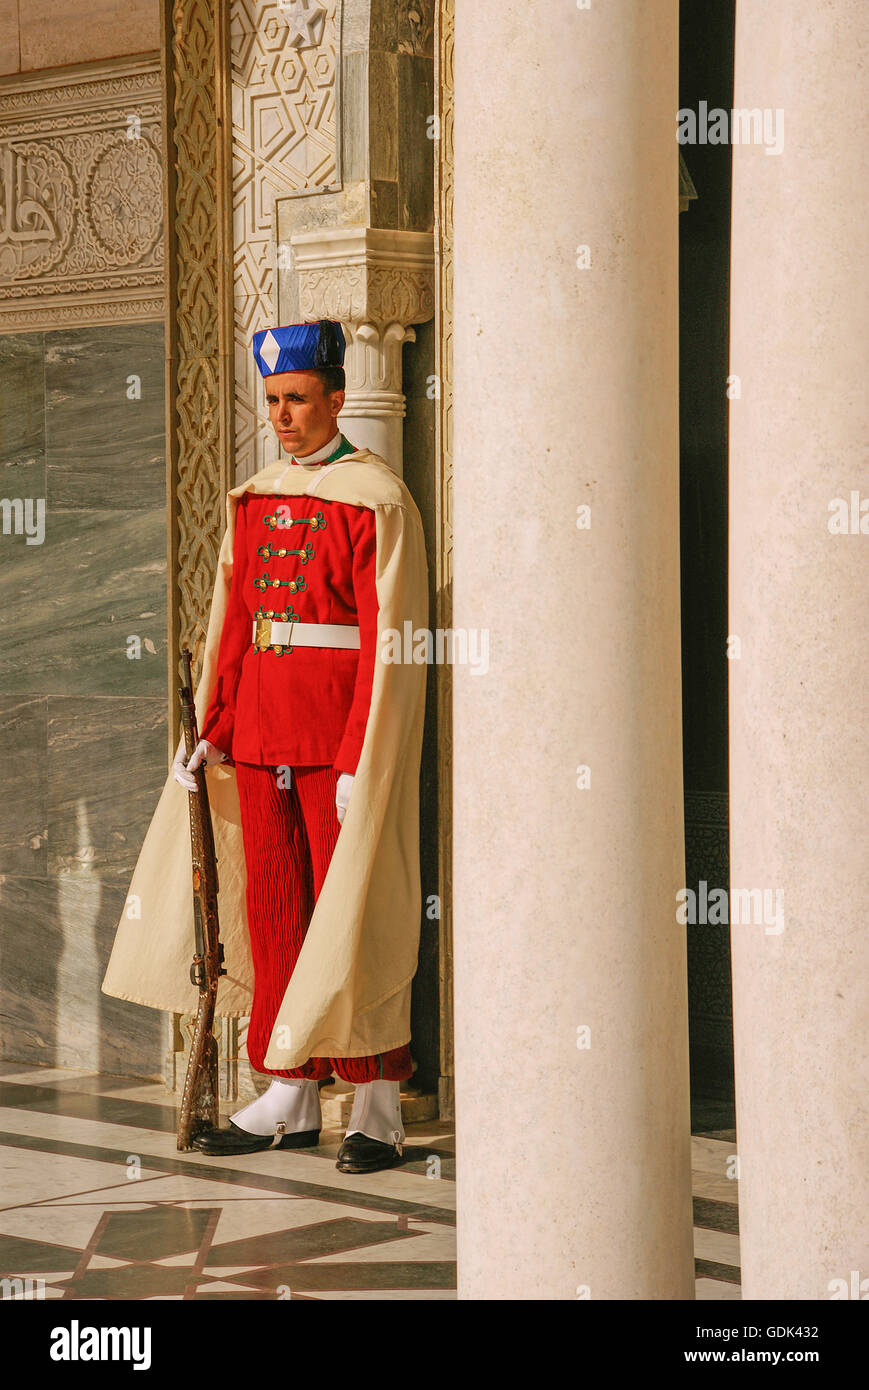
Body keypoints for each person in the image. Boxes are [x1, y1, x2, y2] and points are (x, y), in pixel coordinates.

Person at [102, 320, 429, 1174]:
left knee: (352, 915)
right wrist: (209, 732)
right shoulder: (254, 498)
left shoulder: (375, 497)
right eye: (273, 401)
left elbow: (385, 637)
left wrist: (361, 753)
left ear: (336, 398)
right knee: (275, 913)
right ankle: (287, 1087)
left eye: (296, 400)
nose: (282, 416)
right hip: (261, 739)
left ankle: (377, 1101)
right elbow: (238, 626)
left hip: (335, 741)